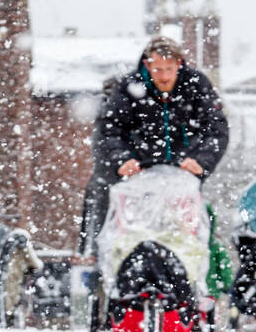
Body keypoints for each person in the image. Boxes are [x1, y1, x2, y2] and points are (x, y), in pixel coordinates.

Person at [77, 36, 230, 259]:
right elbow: (109, 130)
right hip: (137, 178)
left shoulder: (196, 85)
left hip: (181, 178)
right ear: (148, 65)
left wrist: (201, 161)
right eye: (158, 69)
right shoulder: (130, 89)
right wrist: (122, 160)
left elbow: (217, 130)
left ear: (179, 64)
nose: (164, 77)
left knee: (185, 236)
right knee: (128, 236)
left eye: (169, 69)